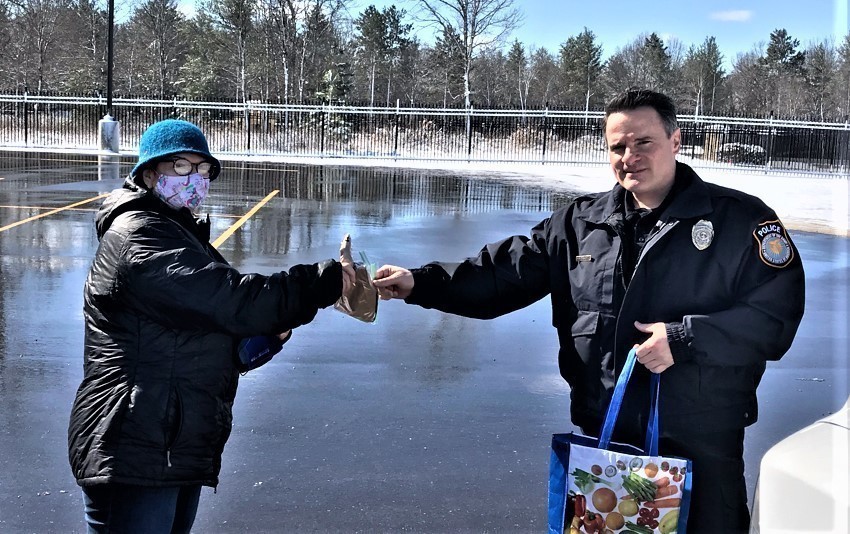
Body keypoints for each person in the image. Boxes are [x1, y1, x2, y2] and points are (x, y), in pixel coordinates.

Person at [372, 88, 805, 533]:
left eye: (643, 143)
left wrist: (685, 339)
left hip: (700, 440)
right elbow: (502, 276)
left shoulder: (739, 221)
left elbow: (775, 317)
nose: (629, 157)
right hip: (606, 435)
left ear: (676, 141)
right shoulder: (581, 223)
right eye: (617, 146)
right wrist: (420, 282)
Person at [67, 119, 356, 533]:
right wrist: (320, 282)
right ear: (150, 174)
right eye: (181, 167)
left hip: (173, 441)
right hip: (134, 443)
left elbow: (198, 332)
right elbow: (229, 299)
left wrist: (261, 339)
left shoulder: (181, 234)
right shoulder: (139, 236)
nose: (196, 178)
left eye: (203, 169)